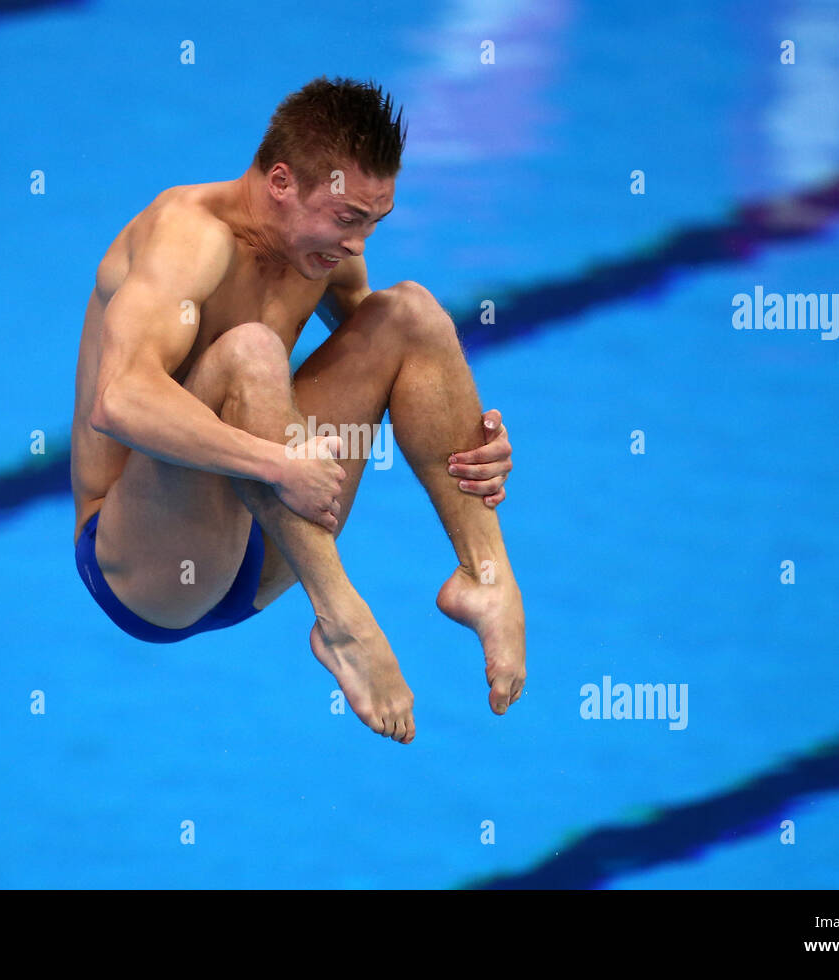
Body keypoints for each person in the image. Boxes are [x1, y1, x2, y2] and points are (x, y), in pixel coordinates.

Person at [71, 77, 525, 744]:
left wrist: (475, 442)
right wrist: (274, 461)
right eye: (346, 219)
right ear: (280, 181)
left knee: (411, 314)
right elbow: (120, 398)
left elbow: (402, 364)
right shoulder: (188, 239)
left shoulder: (319, 248)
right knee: (252, 351)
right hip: (149, 569)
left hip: (266, 545)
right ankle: (342, 619)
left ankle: (485, 579)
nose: (357, 244)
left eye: (374, 222)